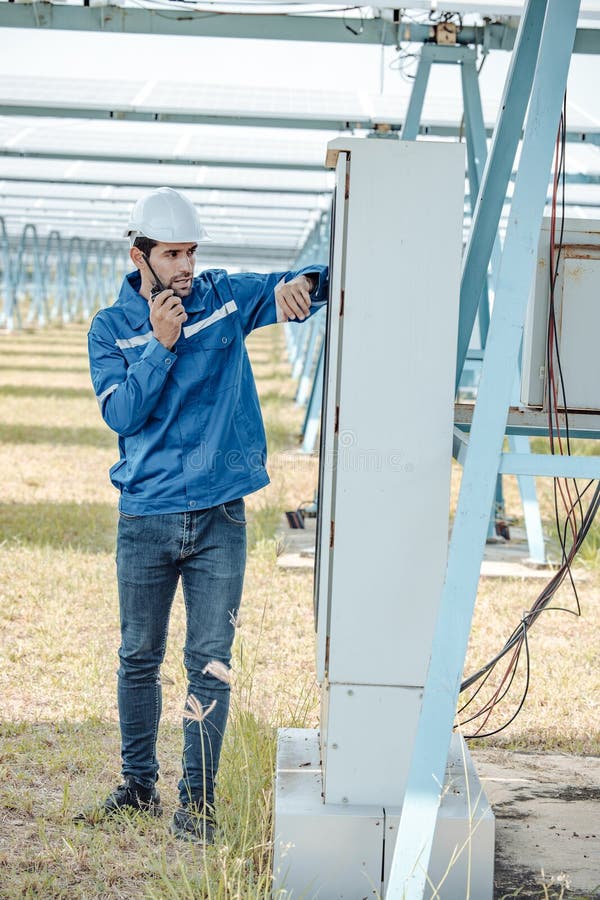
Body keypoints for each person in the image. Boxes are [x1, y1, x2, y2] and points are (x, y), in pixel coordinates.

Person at [85, 186, 328, 843]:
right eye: (172, 254)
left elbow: (300, 284)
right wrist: (161, 346)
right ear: (140, 256)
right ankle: (138, 787)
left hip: (220, 518)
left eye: (191, 251)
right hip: (147, 518)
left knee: (210, 661)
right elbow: (121, 415)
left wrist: (300, 285)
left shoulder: (223, 297)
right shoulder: (111, 330)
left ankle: (197, 803)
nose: (185, 266)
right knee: (139, 656)